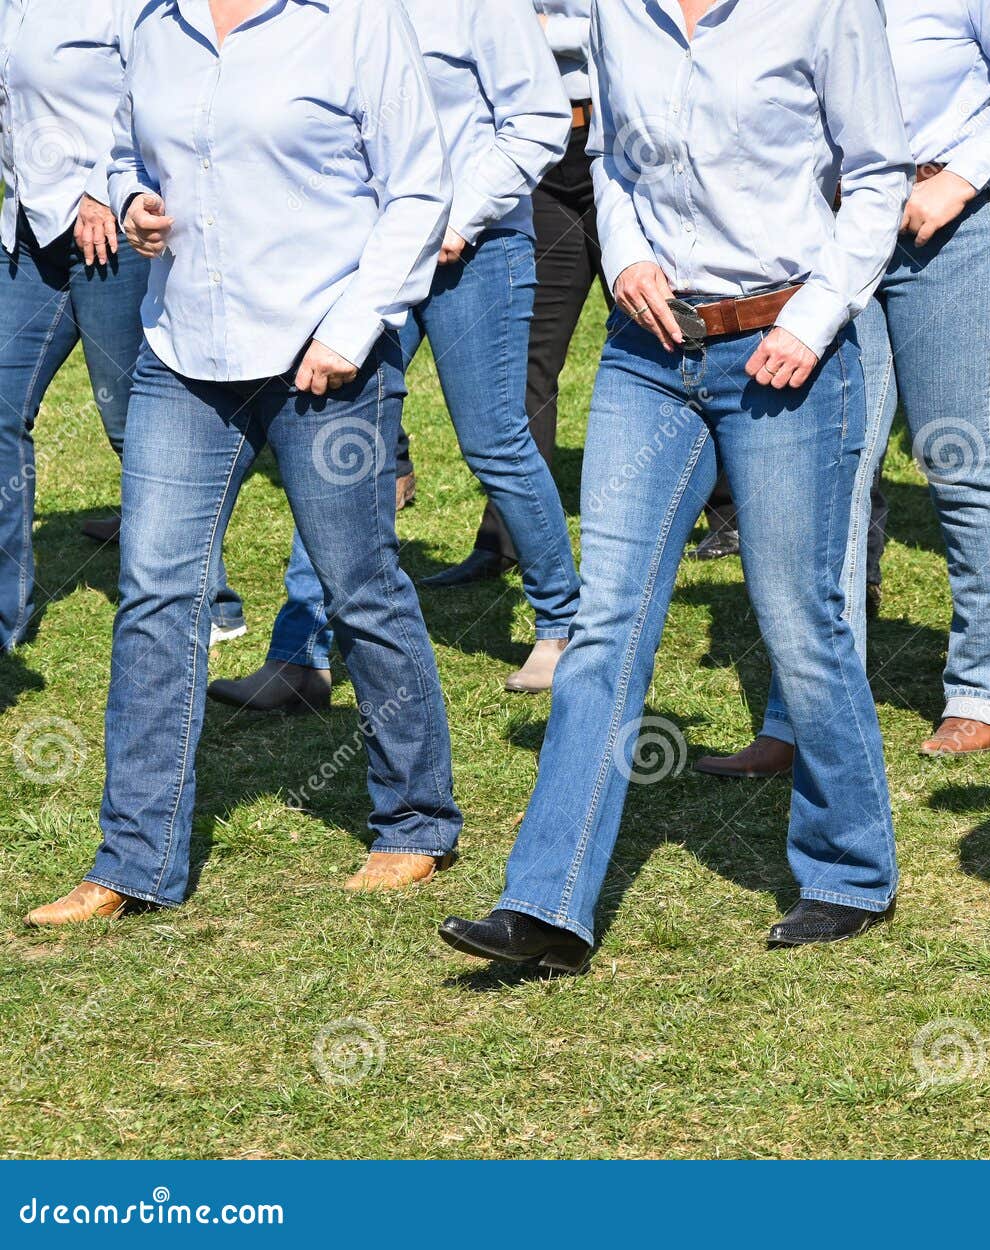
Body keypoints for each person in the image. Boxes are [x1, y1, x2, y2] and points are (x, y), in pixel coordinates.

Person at [437, 0, 912, 970]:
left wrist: (813, 320)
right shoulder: (619, 10)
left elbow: (878, 178)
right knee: (604, 619)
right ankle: (548, 905)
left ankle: (849, 868)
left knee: (796, 614)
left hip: (788, 349)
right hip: (647, 355)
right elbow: (609, 159)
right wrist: (626, 256)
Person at [24, 0, 462, 926]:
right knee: (155, 592)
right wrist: (135, 201)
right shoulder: (150, 24)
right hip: (184, 355)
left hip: (324, 354)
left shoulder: (353, 22)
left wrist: (351, 331)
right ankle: (134, 860)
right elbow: (121, 152)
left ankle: (416, 821)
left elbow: (420, 191)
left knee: (359, 583)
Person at [693, 0, 990, 783]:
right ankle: (804, 709)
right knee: (829, 466)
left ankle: (988, 686)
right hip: (827, 240)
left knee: (958, 453)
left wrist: (962, 176)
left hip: (954, 226)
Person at [205, 0, 580, 713]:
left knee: (494, 438)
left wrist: (458, 216)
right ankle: (300, 658)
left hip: (478, 248)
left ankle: (565, 627)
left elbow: (537, 119)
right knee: (331, 436)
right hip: (367, 252)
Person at [0, 0, 244, 652]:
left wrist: (93, 186)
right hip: (27, 239)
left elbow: (157, 89)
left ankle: (210, 599)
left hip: (104, 231)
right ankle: (6, 613)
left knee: (132, 423)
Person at [425, 0, 608, 596]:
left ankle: (727, 509)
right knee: (528, 355)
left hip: (631, 151)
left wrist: (551, 32)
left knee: (664, 338)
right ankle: (505, 540)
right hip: (535, 162)